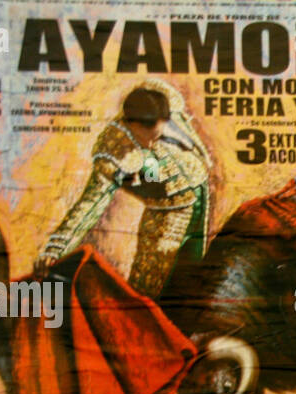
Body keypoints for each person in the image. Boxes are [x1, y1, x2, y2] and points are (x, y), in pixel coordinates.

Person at [35, 82, 212, 299]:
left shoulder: (162, 103)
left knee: (191, 283)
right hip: (166, 217)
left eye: (156, 136)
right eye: (145, 138)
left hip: (200, 200)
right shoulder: (116, 150)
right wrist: (55, 249)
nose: (149, 145)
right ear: (131, 125)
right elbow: (89, 206)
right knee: (150, 290)